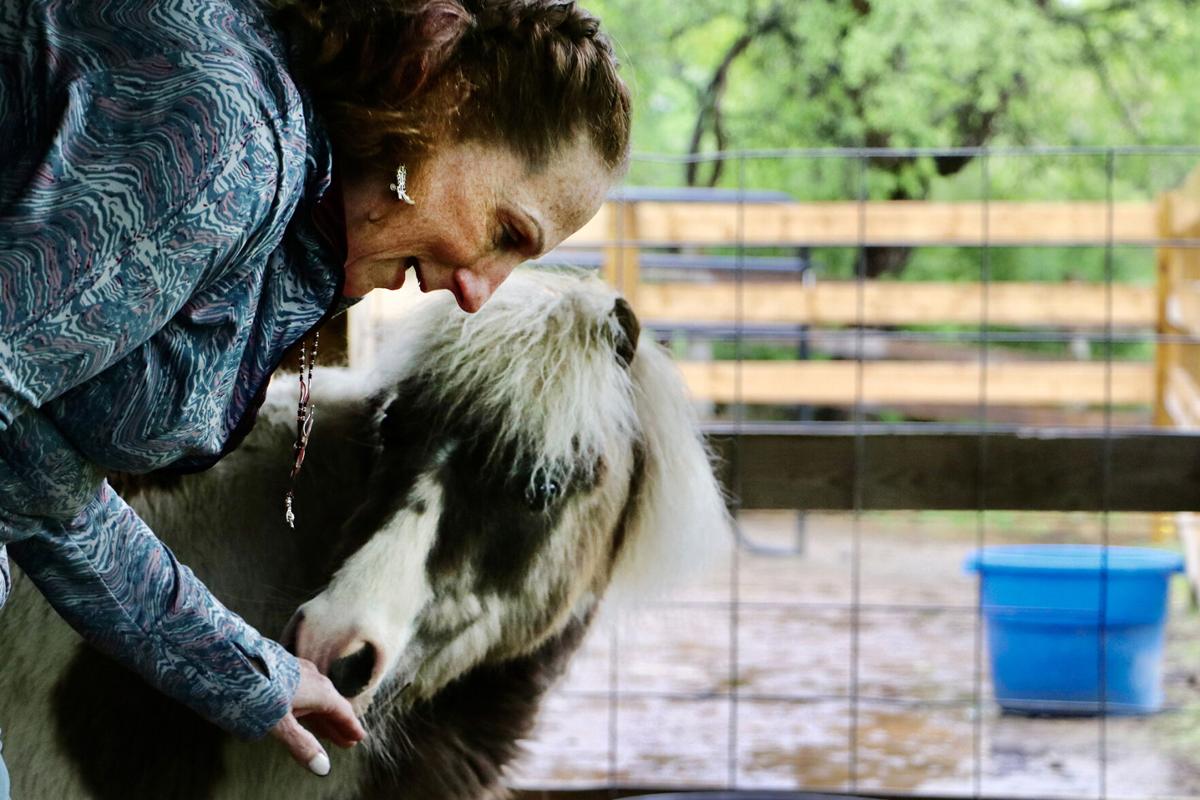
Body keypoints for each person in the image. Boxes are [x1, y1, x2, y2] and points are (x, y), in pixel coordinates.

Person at [0, 0, 631, 790]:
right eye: (506, 232)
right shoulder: (232, 146)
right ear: (446, 98)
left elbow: (33, 479)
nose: (478, 292)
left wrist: (242, 675)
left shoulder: (274, 197)